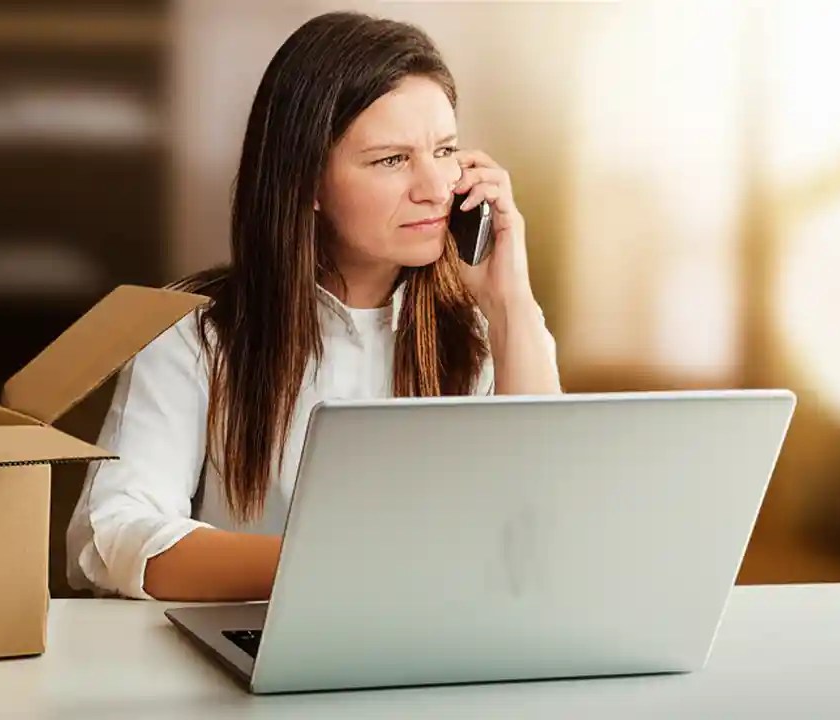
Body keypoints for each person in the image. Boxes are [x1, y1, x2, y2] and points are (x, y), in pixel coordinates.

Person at [66, 11, 562, 602]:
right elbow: (111, 538)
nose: (435, 186)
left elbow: (540, 543)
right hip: (255, 649)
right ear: (308, 184)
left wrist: (512, 305)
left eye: (446, 150)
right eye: (391, 160)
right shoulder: (195, 331)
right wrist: (330, 564)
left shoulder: (482, 337)